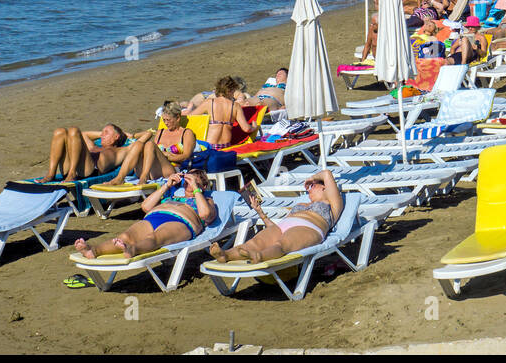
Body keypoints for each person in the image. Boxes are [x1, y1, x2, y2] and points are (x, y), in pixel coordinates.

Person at [74, 169, 216, 260]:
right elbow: (146, 206)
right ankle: (94, 250)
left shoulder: (207, 201)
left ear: (203, 186)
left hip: (181, 223)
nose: (188, 185)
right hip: (154, 217)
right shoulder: (174, 196)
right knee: (125, 237)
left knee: (155, 238)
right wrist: (167, 185)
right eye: (187, 181)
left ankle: (133, 249)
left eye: (194, 182)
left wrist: (197, 190)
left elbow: (205, 215)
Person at [209, 169, 341, 264]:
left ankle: (260, 256)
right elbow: (276, 227)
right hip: (282, 226)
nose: (308, 189)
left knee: (282, 244)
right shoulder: (301, 203)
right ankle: (225, 255)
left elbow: (327, 174)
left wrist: (311, 178)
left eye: (312, 186)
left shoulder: (332, 204)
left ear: (324, 187)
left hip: (309, 227)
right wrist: (260, 212)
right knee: (255, 242)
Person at [102, 101, 198, 185]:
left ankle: (144, 177)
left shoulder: (186, 133)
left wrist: (169, 156)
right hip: (152, 169)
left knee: (150, 144)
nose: (166, 123)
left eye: (168, 120)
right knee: (138, 144)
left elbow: (186, 156)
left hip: (171, 169)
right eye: (163, 120)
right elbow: (152, 153)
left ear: (177, 118)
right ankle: (120, 178)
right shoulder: (160, 132)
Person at [43, 122, 131, 182]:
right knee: (60, 131)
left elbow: (139, 144)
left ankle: (72, 173)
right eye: (102, 132)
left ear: (116, 136)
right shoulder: (93, 146)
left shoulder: (120, 151)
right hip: (73, 170)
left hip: (90, 172)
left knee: (74, 130)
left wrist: (132, 135)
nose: (101, 135)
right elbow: (83, 134)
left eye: (106, 132)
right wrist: (102, 134)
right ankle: (51, 173)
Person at [190, 75, 254, 147]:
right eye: (233, 91)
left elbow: (191, 117)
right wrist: (254, 127)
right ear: (230, 90)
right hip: (225, 145)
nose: (233, 94)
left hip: (209, 145)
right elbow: (246, 128)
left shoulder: (209, 102)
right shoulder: (236, 106)